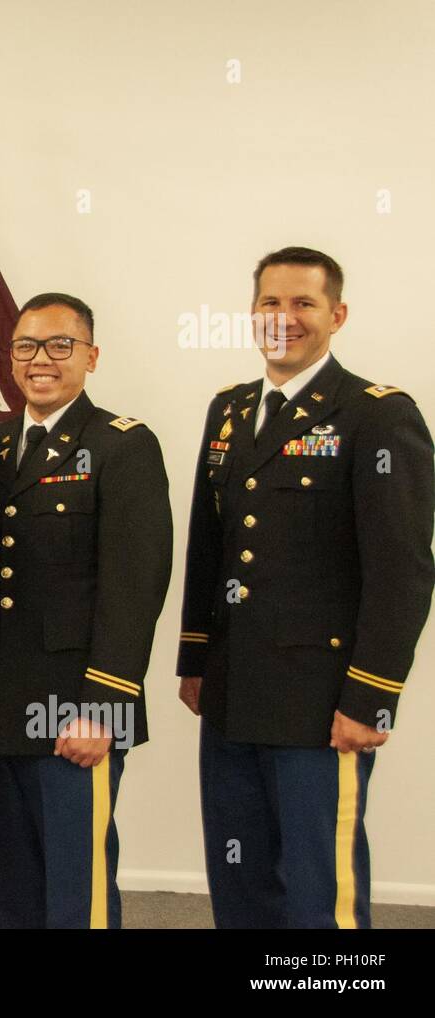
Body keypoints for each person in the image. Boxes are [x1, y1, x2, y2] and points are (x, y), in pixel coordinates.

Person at [177, 246, 434, 929]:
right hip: (234, 694)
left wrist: (372, 698)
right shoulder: (230, 412)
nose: (283, 317)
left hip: (323, 704)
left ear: (337, 315)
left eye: (303, 303)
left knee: (320, 889)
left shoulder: (375, 415)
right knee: (241, 880)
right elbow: (210, 547)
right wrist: (196, 661)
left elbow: (403, 570)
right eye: (270, 302)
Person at [0, 293, 171, 929]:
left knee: (78, 889)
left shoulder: (121, 446)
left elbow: (136, 587)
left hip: (79, 707)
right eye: (25, 346)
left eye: (59, 345)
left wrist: (103, 705)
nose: (40, 359)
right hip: (2, 704)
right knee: (15, 887)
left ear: (91, 357)